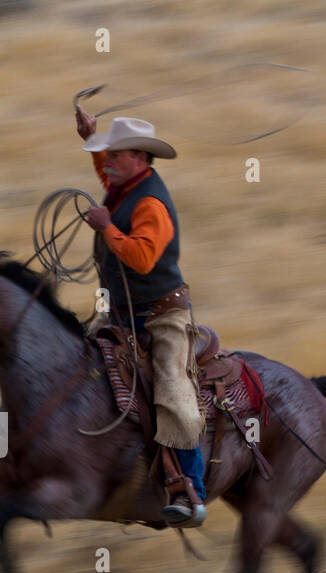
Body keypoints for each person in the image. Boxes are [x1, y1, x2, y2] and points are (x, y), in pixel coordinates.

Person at [75, 109, 207, 527]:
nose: (107, 163)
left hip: (162, 315)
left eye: (114, 156)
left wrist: (106, 227)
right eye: (106, 156)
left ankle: (191, 492)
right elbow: (111, 183)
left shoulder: (151, 203)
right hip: (124, 311)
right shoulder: (126, 183)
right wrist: (90, 136)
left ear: (139, 157)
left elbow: (143, 258)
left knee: (172, 391)